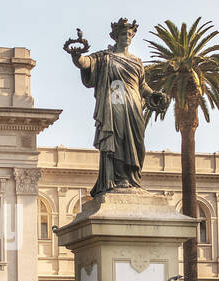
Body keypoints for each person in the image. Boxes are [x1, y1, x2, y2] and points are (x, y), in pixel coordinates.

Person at [64, 18, 169, 197]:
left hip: (134, 103)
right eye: (122, 34)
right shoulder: (105, 56)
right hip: (115, 98)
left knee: (136, 141)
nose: (126, 37)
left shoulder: (136, 61)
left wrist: (153, 95)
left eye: (129, 34)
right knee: (118, 137)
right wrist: (76, 55)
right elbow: (85, 63)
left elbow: (141, 85)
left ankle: (133, 177)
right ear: (115, 36)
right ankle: (120, 179)